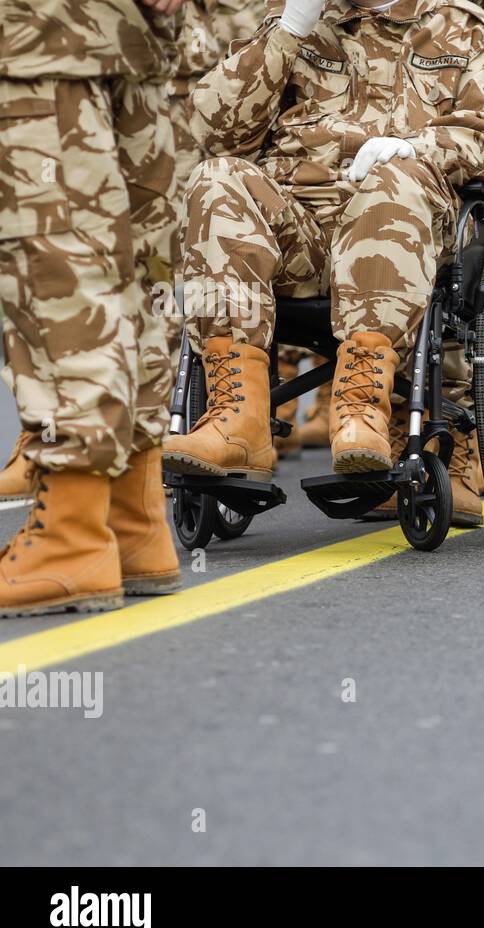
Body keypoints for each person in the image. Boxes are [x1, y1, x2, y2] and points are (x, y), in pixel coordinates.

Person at [162, 0, 484, 532]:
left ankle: (362, 407)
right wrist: (290, 29)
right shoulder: (290, 20)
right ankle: (236, 418)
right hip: (300, 232)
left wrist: (415, 146)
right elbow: (213, 129)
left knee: (394, 179)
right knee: (216, 178)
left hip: (403, 234)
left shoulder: (460, 26)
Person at [0, 0, 186, 615]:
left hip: (42, 37)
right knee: (129, 273)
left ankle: (72, 541)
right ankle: (132, 524)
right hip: (122, 40)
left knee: (54, 272)